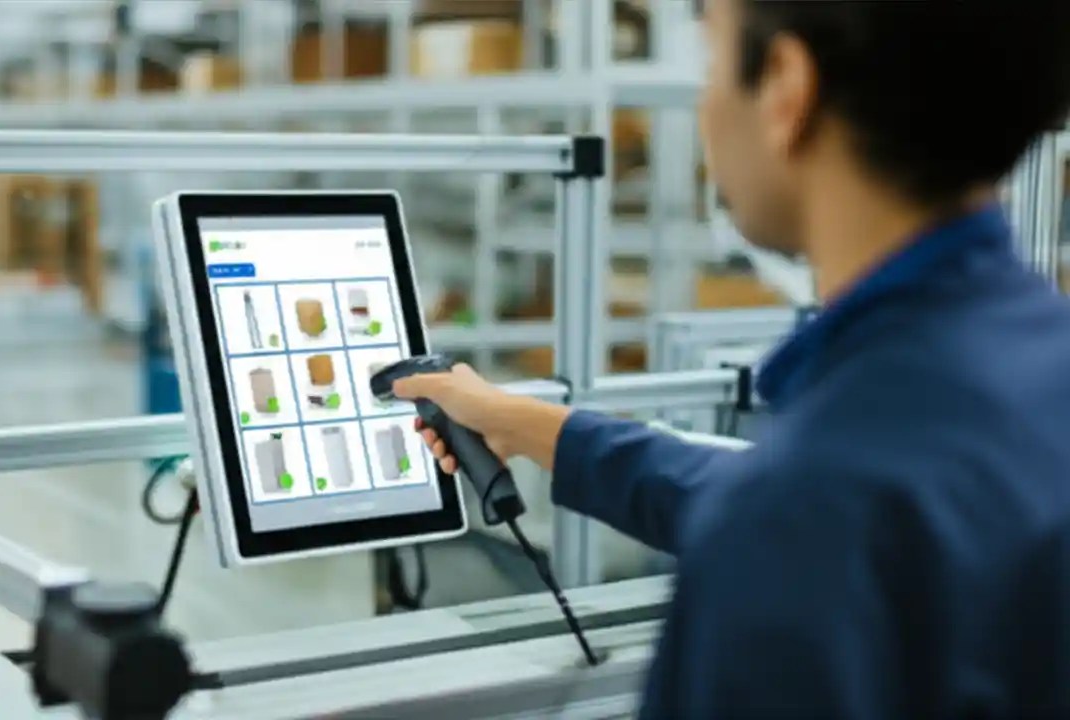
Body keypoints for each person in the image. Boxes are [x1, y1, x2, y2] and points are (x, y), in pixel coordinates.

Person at [395, 0, 1070, 717]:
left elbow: (794, 517)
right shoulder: (1033, 370)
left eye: (710, 59)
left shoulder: (802, 514)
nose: (705, 106)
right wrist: (528, 424)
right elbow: (775, 499)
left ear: (785, 85)